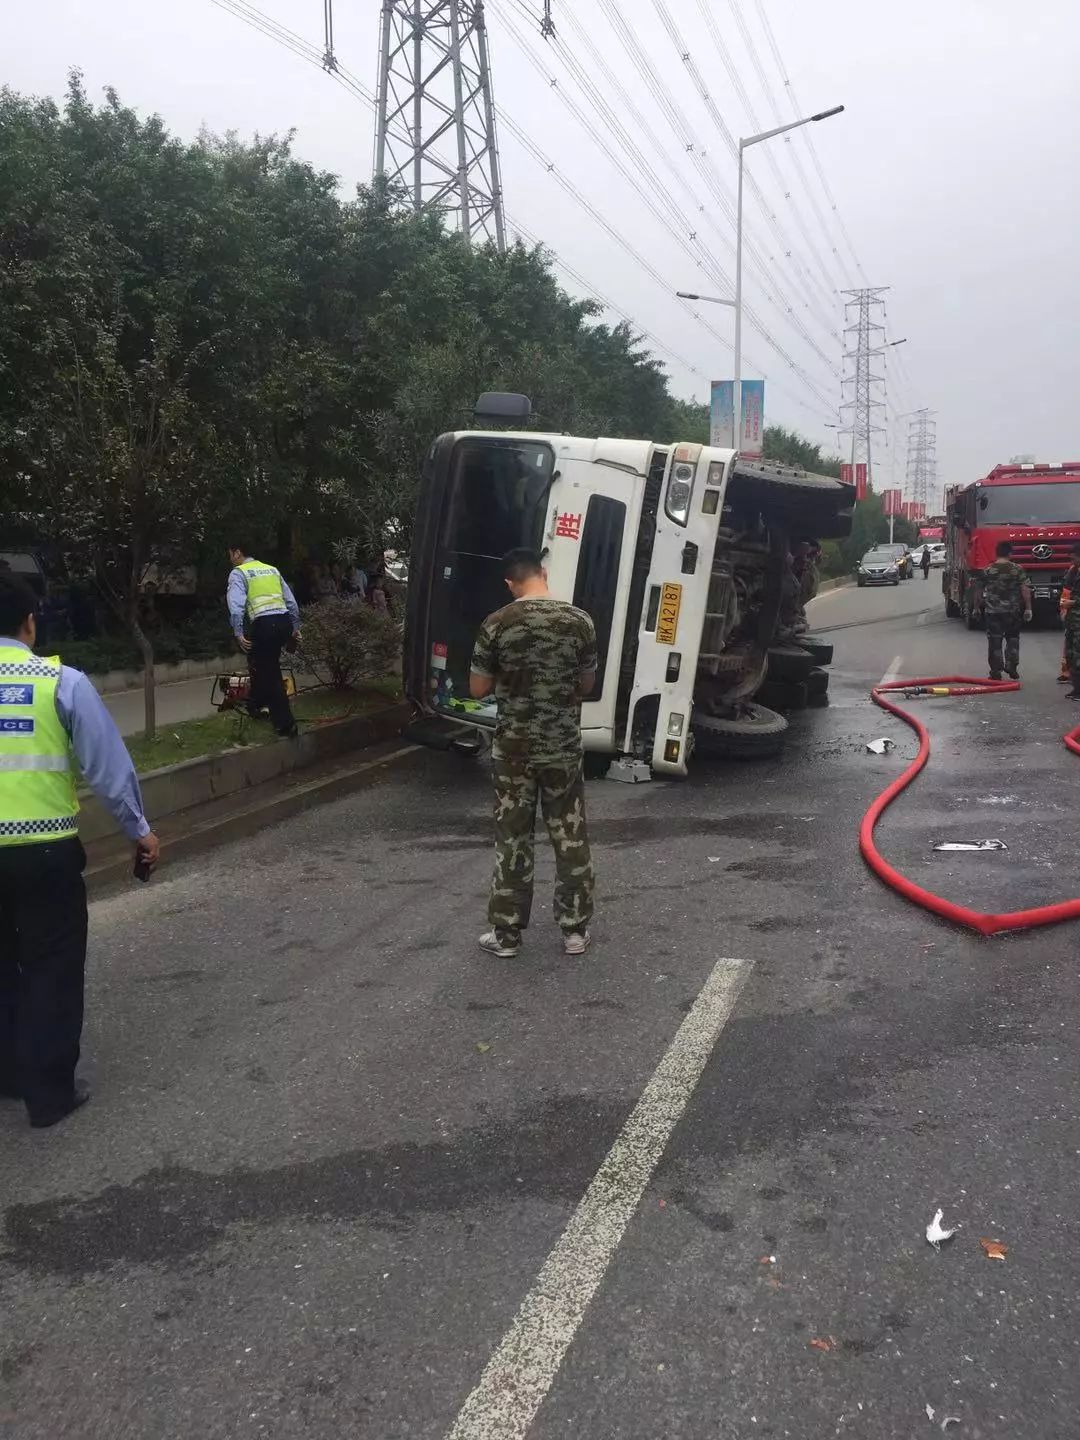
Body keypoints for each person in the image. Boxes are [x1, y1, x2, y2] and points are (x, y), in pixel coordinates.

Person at [0, 573, 160, 1127]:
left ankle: (8, 1075)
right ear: (29, 623)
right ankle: (47, 1095)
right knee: (51, 966)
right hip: (44, 854)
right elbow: (108, 769)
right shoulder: (59, 682)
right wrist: (139, 830)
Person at [469, 548, 597, 959]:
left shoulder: (496, 623)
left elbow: (477, 689)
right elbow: (587, 685)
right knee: (570, 834)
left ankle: (506, 936)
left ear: (510, 583)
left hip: (514, 751)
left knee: (513, 839)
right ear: (543, 572)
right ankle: (574, 931)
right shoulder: (580, 621)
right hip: (562, 747)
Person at [225, 546, 302, 738]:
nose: (230, 559)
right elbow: (290, 601)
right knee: (258, 664)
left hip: (265, 624)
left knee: (269, 672)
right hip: (283, 621)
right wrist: (294, 627)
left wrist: (238, 631)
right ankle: (256, 705)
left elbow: (236, 606)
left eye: (230, 555)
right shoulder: (271, 569)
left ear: (237, 553)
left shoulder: (239, 573)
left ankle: (286, 725)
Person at [980, 540, 1032, 681]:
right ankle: (1012, 666)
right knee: (1013, 639)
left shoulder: (988, 570)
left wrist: (977, 607)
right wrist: (1028, 608)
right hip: (1013, 611)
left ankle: (996, 671)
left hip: (993, 612)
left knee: (995, 641)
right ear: (1010, 553)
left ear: (996, 553)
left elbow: (977, 589)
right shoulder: (1017, 569)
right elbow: (1025, 589)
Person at [1060, 543, 1080, 698]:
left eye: (1073, 555)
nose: (1071, 558)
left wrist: (1072, 603)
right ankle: (1075, 687)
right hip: (1072, 620)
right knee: (1071, 654)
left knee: (1077, 655)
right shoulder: (1073, 571)